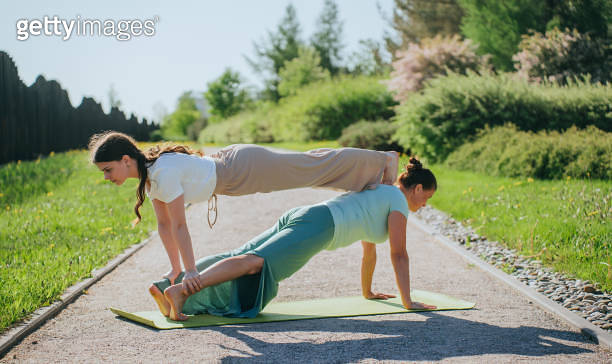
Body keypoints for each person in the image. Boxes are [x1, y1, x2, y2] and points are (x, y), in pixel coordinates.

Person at [88, 131, 399, 293]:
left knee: (311, 167)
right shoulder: (151, 178)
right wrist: (175, 269)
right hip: (235, 170)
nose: (107, 177)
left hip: (243, 170)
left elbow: (181, 227)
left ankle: (382, 160)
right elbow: (165, 228)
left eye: (107, 169)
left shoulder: (161, 173)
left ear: (126, 159)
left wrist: (192, 270)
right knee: (309, 166)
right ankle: (371, 171)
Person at [148, 158, 437, 321]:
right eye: (427, 198)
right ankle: (181, 293)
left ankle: (166, 286)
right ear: (417, 188)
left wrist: (368, 291)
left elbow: (368, 251)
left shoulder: (382, 192)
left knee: (245, 253)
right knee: (254, 263)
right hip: (320, 227)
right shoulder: (397, 201)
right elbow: (399, 254)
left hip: (308, 215)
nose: (424, 204)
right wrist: (408, 301)